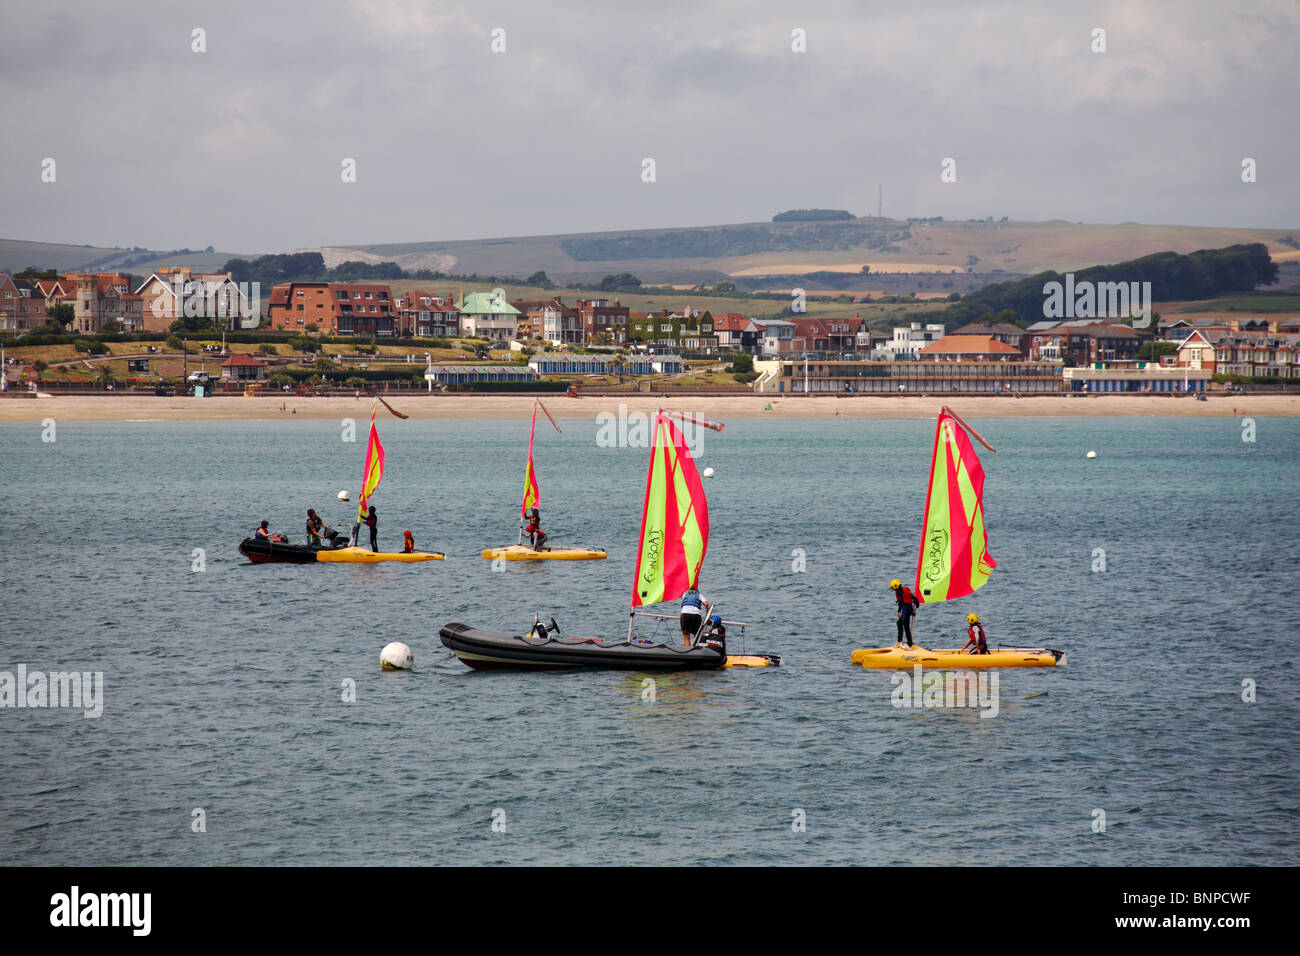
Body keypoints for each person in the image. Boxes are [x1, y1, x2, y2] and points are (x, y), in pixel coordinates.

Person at [890, 578, 919, 647]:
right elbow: (913, 598)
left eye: (893, 587)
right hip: (909, 609)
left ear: (895, 586)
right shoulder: (904, 590)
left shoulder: (899, 592)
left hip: (906, 609)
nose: (893, 589)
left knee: (902, 624)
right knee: (903, 625)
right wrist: (917, 604)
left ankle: (904, 643)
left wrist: (899, 611)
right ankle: (906, 642)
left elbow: (901, 602)